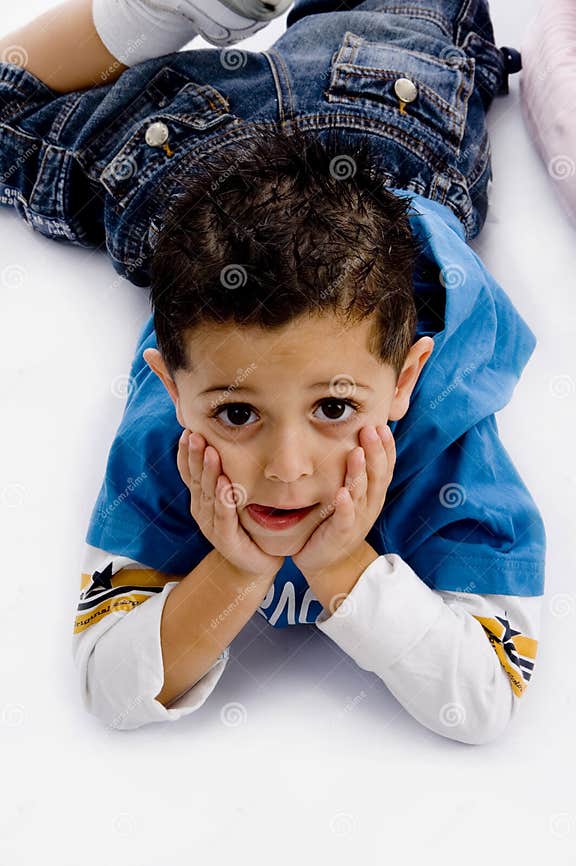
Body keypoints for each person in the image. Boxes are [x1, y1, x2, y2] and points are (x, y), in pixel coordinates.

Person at [0, 0, 545, 741]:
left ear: (405, 379)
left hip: (199, 150)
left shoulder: (441, 429)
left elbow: (484, 703)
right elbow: (107, 684)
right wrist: (238, 569)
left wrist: (342, 565)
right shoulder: (170, 441)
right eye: (236, 414)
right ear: (171, 387)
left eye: (333, 409)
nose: (287, 469)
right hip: (392, 107)